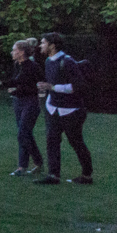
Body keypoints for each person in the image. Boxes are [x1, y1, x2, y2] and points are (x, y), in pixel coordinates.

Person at [35, 32, 94, 185]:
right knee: (52, 141)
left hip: (71, 111)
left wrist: (53, 87)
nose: (40, 45)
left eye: (43, 43)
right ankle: (53, 175)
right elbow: (51, 85)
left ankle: (87, 175)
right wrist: (48, 97)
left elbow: (79, 86)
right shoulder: (48, 61)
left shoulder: (67, 62)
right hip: (53, 109)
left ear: (52, 45)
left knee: (76, 142)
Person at [0, 38, 44, 176]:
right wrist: (13, 90)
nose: (12, 52)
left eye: (14, 49)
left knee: (23, 133)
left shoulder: (32, 66)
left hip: (30, 102)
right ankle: (22, 167)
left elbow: (27, 84)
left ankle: (38, 162)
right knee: (24, 134)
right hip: (18, 101)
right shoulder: (17, 65)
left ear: (21, 52)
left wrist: (4, 84)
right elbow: (19, 83)